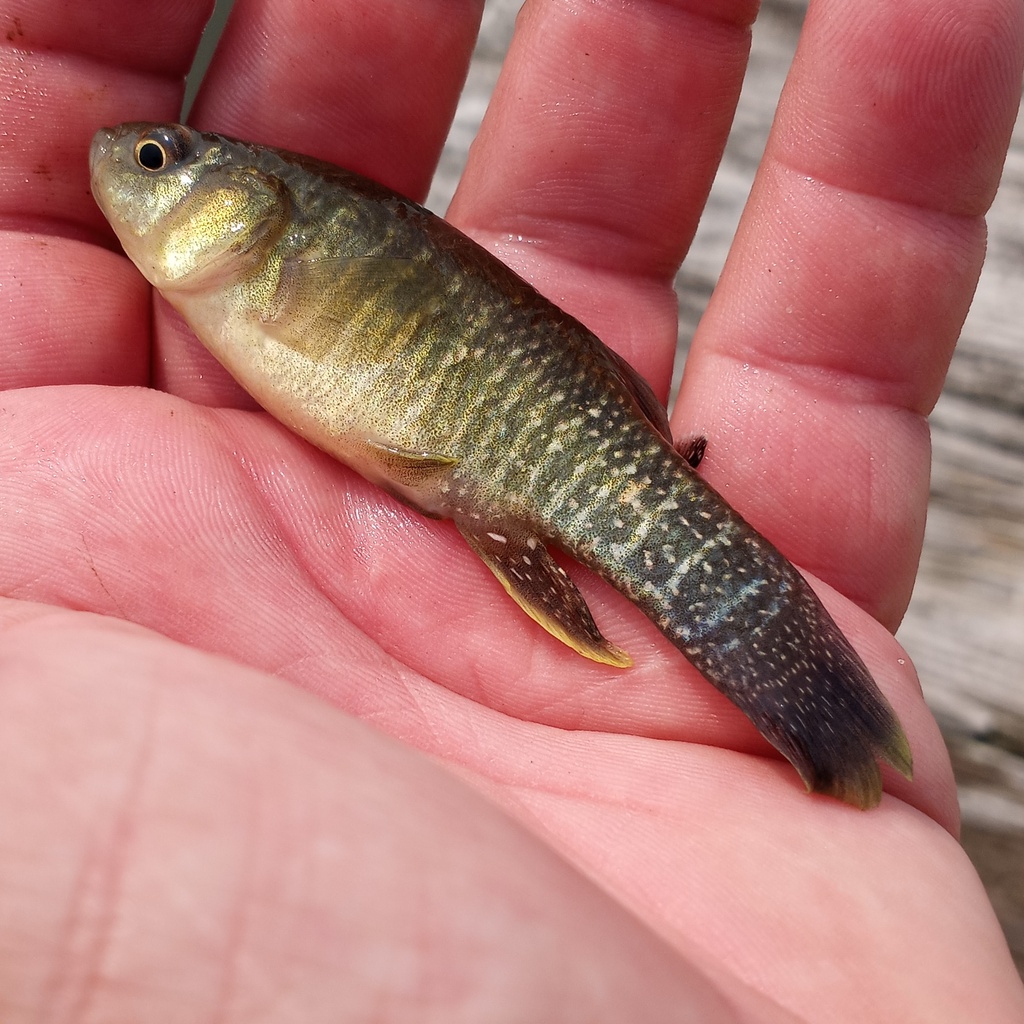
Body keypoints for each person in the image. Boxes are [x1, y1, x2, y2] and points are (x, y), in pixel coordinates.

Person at [1, 0, 1021, 1018]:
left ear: (251, 206)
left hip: (510, 435)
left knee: (653, 533)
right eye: (154, 157)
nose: (118, 161)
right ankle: (835, 736)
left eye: (153, 160)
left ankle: (827, 722)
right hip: (493, 438)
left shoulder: (265, 254)